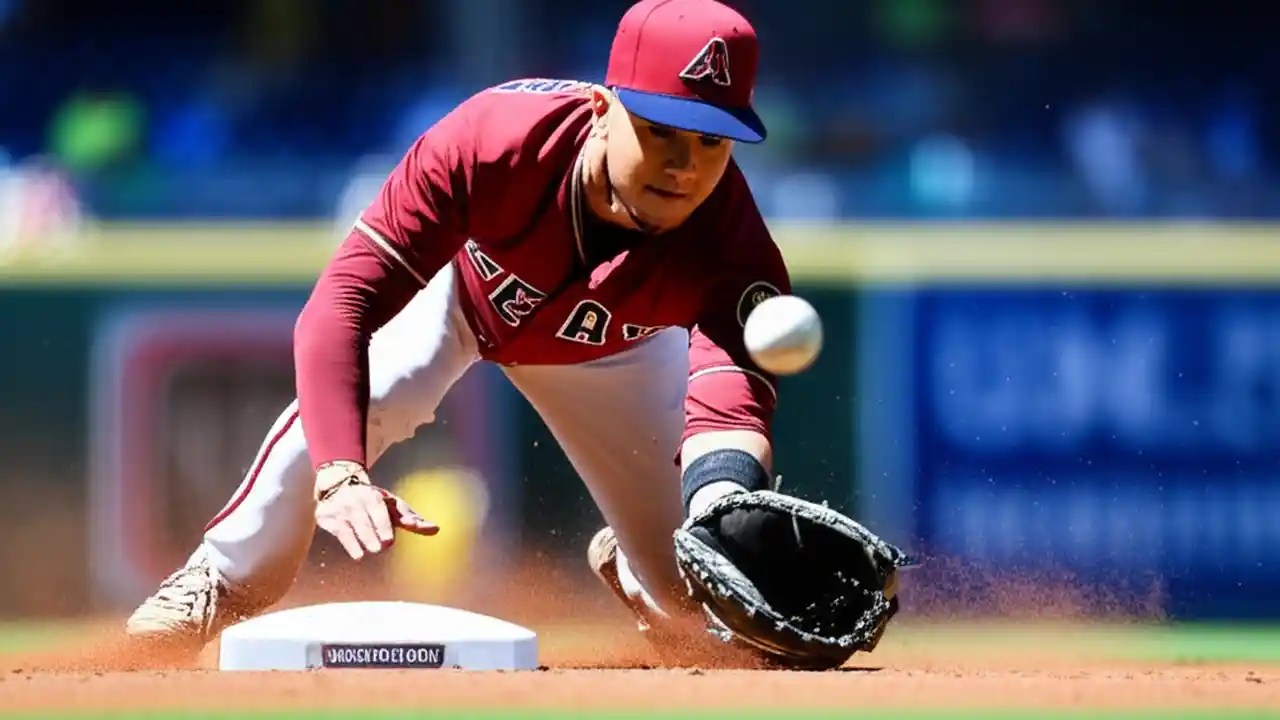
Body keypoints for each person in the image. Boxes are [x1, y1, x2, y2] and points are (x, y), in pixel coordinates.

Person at [126, 0, 791, 661]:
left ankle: (640, 574)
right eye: (661, 129)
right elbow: (341, 305)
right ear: (600, 107)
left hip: (614, 352)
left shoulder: (735, 245)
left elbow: (728, 404)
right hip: (461, 294)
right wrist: (339, 473)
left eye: (712, 140)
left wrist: (721, 502)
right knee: (369, 399)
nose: (685, 165)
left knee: (703, 589)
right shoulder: (495, 140)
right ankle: (215, 580)